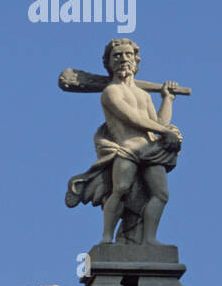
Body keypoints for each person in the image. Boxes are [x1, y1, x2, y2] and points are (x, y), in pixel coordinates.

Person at [65, 39, 182, 245]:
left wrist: (167, 100)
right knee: (121, 189)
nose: (123, 59)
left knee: (161, 195)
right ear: (109, 63)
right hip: (127, 148)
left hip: (150, 149)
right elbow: (131, 118)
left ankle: (149, 239)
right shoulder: (111, 92)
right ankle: (107, 237)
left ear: (136, 61)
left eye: (128, 54)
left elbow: (156, 124)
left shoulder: (143, 94)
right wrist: (165, 131)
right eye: (117, 55)